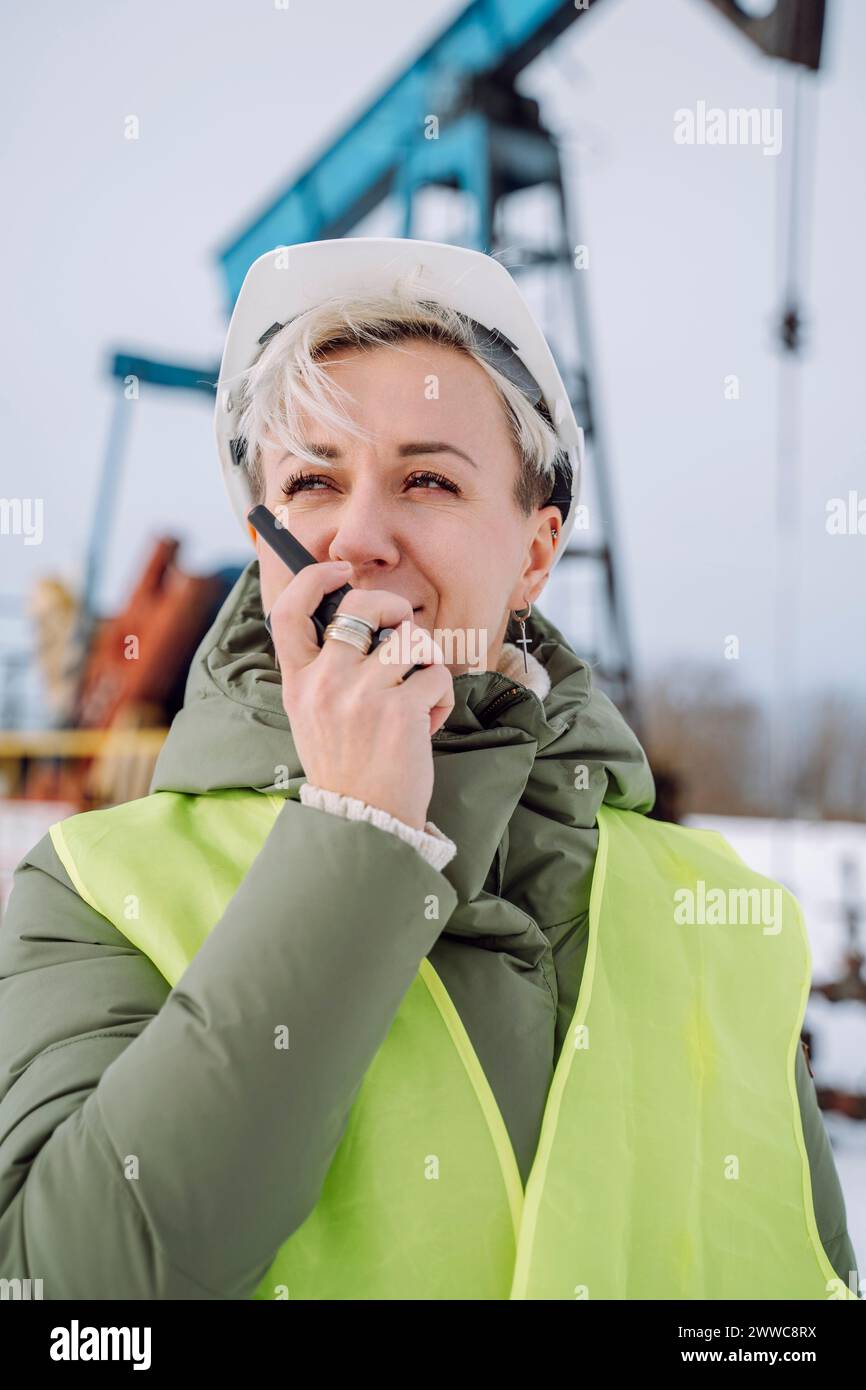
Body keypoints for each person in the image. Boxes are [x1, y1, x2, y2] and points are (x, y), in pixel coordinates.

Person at [0, 238, 858, 1301]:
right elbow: (69, 1295)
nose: (359, 535)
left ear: (535, 553)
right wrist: (353, 840)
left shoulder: (725, 920)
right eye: (312, 480)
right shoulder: (94, 892)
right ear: (264, 540)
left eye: (427, 480)